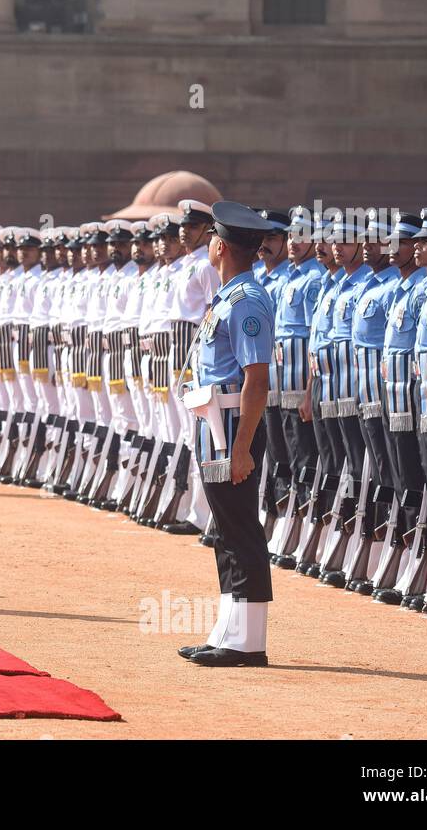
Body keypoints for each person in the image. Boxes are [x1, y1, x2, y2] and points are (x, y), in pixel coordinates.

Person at [176, 201, 276, 668]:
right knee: (225, 530)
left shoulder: (247, 300)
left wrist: (241, 449)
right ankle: (229, 631)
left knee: (240, 530)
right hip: (214, 420)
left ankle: (249, 640)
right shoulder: (229, 296)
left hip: (233, 424)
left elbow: (257, 379)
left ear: (221, 246)